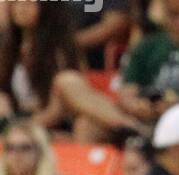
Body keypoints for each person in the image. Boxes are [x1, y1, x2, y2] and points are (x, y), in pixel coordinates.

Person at [0, 0, 146, 141]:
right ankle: (135, 127)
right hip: (21, 121)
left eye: (30, 2)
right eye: (17, 1)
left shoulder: (62, 47)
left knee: (69, 89)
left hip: (55, 118)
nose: (22, 7)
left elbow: (65, 102)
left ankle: (133, 129)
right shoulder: (7, 49)